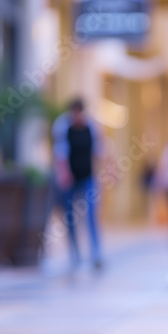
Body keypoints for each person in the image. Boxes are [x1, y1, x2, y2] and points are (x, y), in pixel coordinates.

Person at [52, 98, 103, 270]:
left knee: (92, 215)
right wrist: (63, 175)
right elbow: (59, 154)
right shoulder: (62, 127)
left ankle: (95, 252)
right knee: (70, 216)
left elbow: (99, 151)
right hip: (70, 179)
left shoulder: (92, 127)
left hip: (88, 177)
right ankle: (75, 252)